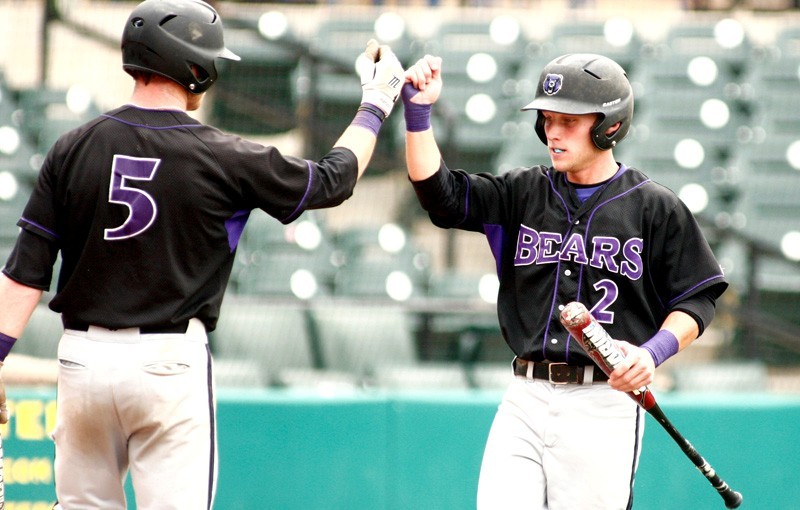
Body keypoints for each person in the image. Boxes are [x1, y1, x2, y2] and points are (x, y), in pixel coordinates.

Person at [0, 0, 404, 508]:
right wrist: (376, 103)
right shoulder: (225, 156)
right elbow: (332, 180)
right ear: (194, 68)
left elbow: (23, 276)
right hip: (166, 365)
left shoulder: (72, 146)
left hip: (82, 362)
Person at [402, 53, 728, 509]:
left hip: (604, 402)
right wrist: (418, 113)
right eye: (548, 119)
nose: (553, 131)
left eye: (569, 121)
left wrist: (653, 352)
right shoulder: (521, 191)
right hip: (526, 394)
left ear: (609, 125)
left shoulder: (654, 206)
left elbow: (699, 298)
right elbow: (440, 194)